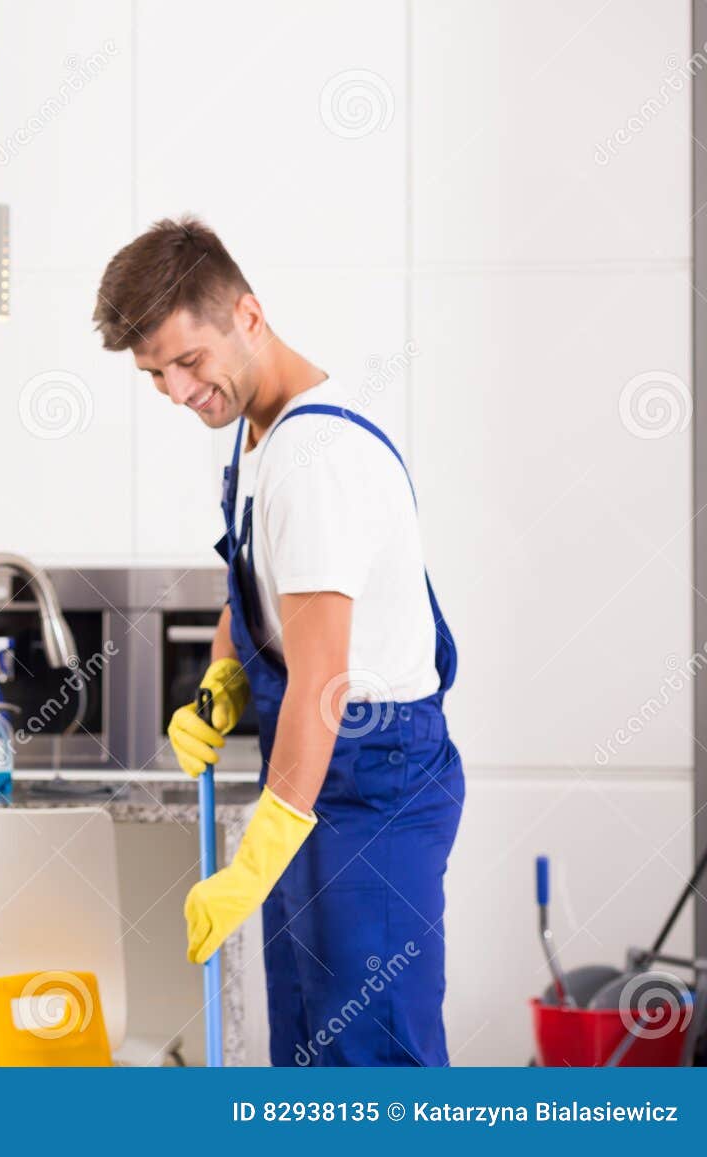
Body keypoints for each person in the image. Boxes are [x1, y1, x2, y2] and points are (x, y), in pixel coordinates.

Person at [93, 217, 463, 1066]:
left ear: (248, 316)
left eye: (189, 361)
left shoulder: (312, 456)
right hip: (319, 777)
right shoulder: (260, 433)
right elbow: (256, 579)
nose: (179, 390)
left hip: (367, 778)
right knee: (308, 1053)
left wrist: (261, 849)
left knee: (372, 1067)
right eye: (155, 374)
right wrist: (223, 677)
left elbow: (324, 679)